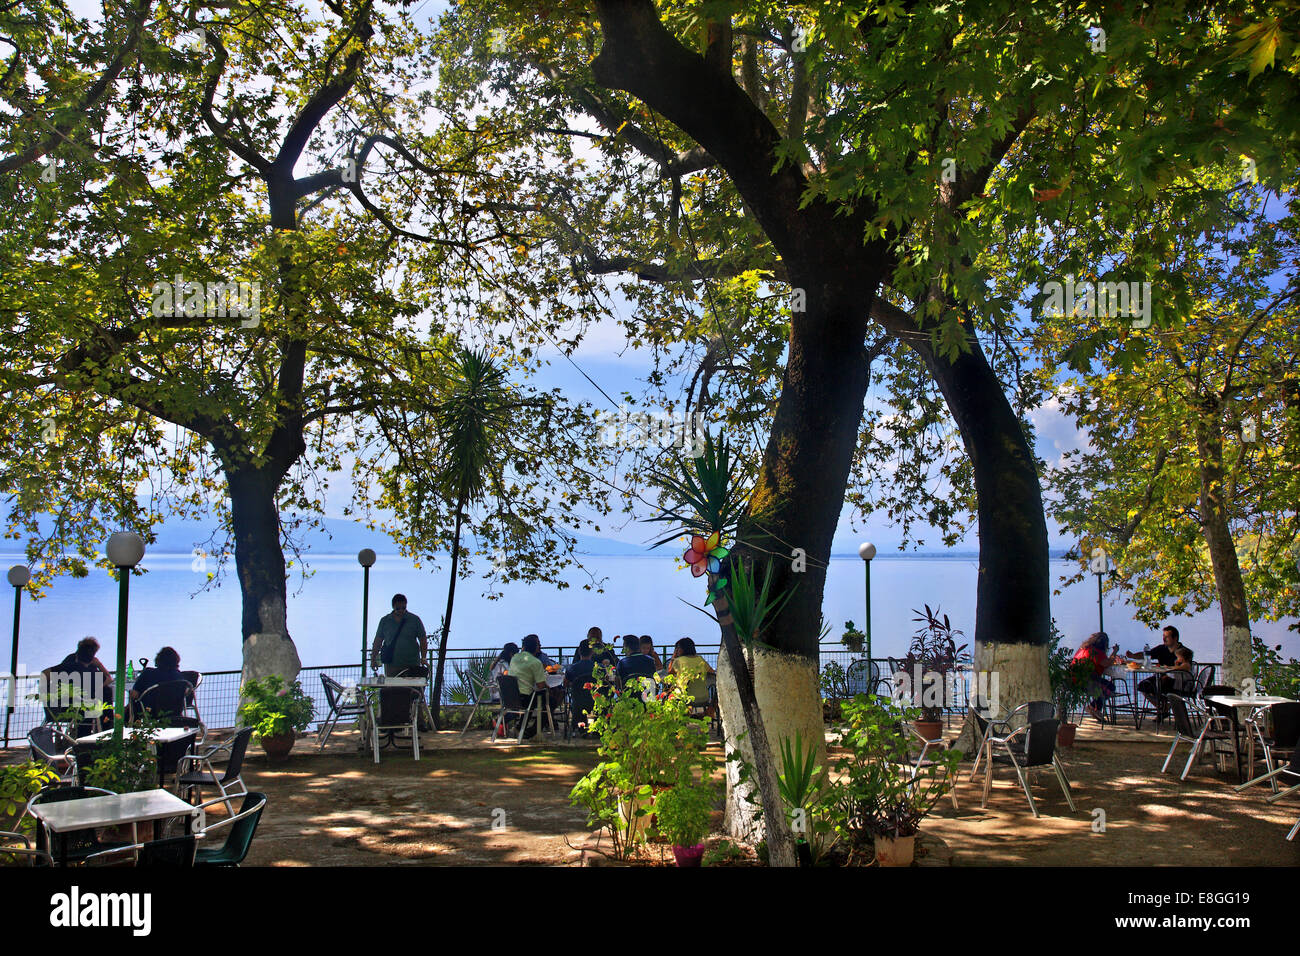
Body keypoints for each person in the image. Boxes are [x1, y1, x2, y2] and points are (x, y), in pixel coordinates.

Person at [42, 637, 113, 730]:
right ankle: (107, 729)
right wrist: (99, 666)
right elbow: (109, 679)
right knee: (106, 693)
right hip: (82, 710)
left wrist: (49, 692)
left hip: (59, 708)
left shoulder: (66, 666)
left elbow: (44, 674)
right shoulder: (91, 673)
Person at [370, 594, 428, 677]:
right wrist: (373, 659)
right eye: (398, 608)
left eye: (403, 608)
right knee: (393, 688)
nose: (401, 610)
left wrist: (424, 658)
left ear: (406, 606)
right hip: (392, 664)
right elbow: (378, 641)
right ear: (393, 607)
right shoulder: (385, 621)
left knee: (412, 688)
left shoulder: (414, 619)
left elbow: (423, 639)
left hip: (412, 663)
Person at [1073, 631, 1119, 722]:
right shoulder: (1096, 652)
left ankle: (1094, 707)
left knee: (1108, 686)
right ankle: (1094, 708)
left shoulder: (1084, 649)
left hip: (1076, 680)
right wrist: (1115, 651)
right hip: (1088, 681)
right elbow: (1107, 663)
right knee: (1109, 688)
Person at [131, 646, 187, 720]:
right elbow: (186, 692)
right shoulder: (179, 677)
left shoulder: (148, 673)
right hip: (174, 712)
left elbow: (134, 694)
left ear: (158, 660)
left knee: (131, 706)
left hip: (150, 711)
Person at [1135, 625, 1183, 709]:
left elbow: (1185, 669)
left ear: (1175, 638)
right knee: (1142, 686)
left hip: (1177, 681)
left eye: (1167, 637)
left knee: (1160, 684)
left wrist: (1170, 669)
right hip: (1160, 678)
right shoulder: (1161, 648)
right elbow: (1146, 654)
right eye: (1163, 636)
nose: (1164, 639)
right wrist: (1132, 655)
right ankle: (1162, 707)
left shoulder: (1183, 651)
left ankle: (1164, 708)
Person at [667, 637, 714, 705]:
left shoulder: (678, 661)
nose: (677, 650)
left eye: (678, 648)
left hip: (686, 697)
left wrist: (673, 657)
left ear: (682, 649)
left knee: (668, 694)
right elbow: (712, 672)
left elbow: (669, 672)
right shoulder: (700, 659)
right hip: (704, 697)